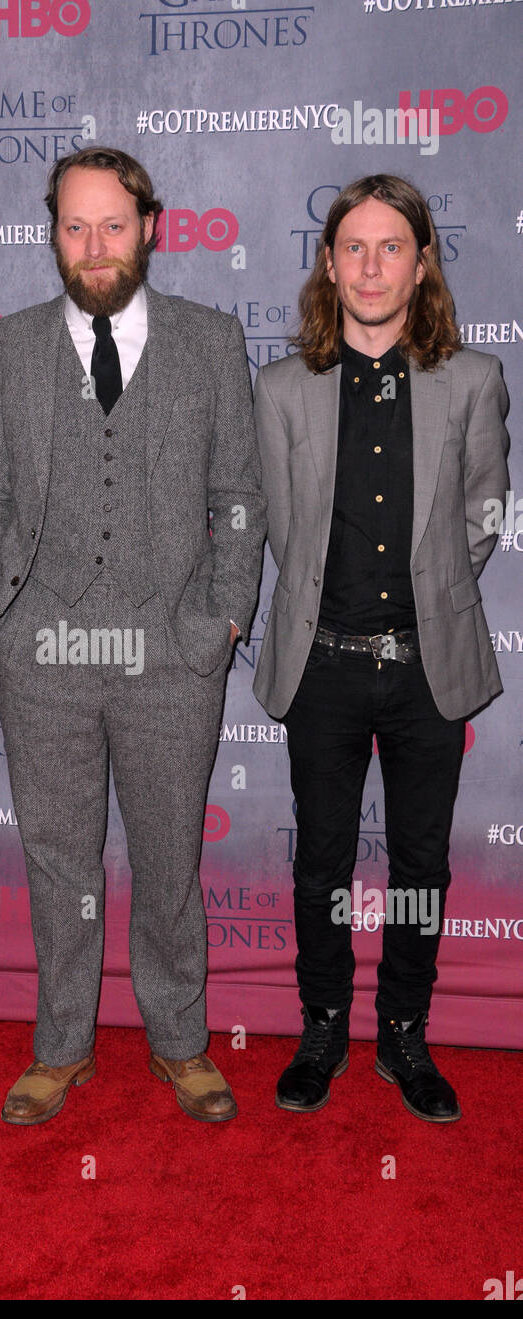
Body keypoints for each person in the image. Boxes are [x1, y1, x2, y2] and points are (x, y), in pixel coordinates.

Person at [0, 147, 265, 1125]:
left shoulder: (211, 341)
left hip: (168, 655)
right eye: (73, 225)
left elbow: (236, 496)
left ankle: (180, 1043)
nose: (92, 245)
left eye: (111, 223)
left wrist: (219, 619)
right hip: (41, 655)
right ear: (53, 233)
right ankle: (60, 1047)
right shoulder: (6, 345)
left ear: (148, 226)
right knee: (58, 861)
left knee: (168, 858)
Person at [252, 173, 510, 1122]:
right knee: (319, 864)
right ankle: (322, 1026)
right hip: (319, 663)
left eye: (390, 246)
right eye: (352, 247)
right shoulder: (279, 389)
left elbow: (486, 512)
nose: (370, 265)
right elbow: (277, 528)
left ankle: (404, 1034)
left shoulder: (474, 380)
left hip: (425, 669)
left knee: (420, 867)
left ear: (421, 262)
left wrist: (437, 590)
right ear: (328, 264)